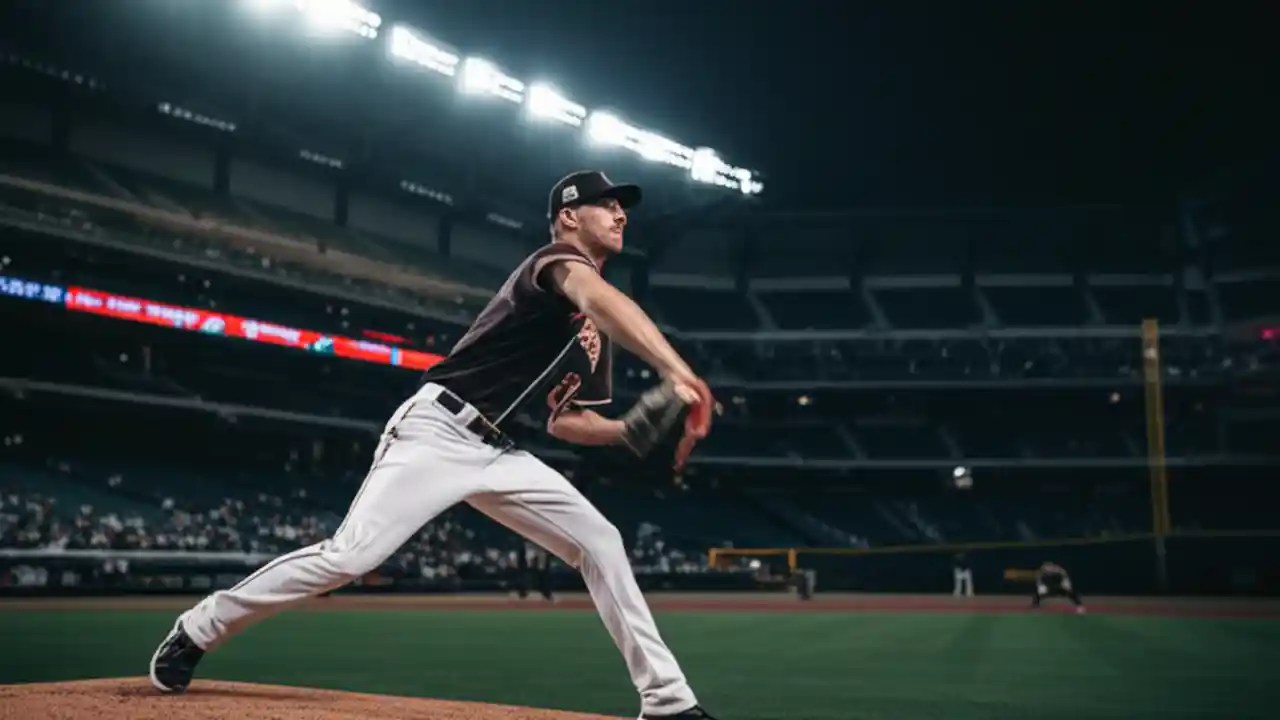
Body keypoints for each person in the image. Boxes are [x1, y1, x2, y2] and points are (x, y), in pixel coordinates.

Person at [149, 171, 718, 720]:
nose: (621, 213)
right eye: (607, 203)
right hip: (437, 430)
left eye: (624, 206)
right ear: (569, 217)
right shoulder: (552, 265)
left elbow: (563, 421)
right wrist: (680, 373)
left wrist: (622, 431)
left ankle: (667, 700)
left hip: (502, 454)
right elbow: (600, 300)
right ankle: (201, 626)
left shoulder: (592, 336)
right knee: (351, 556)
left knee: (600, 540)